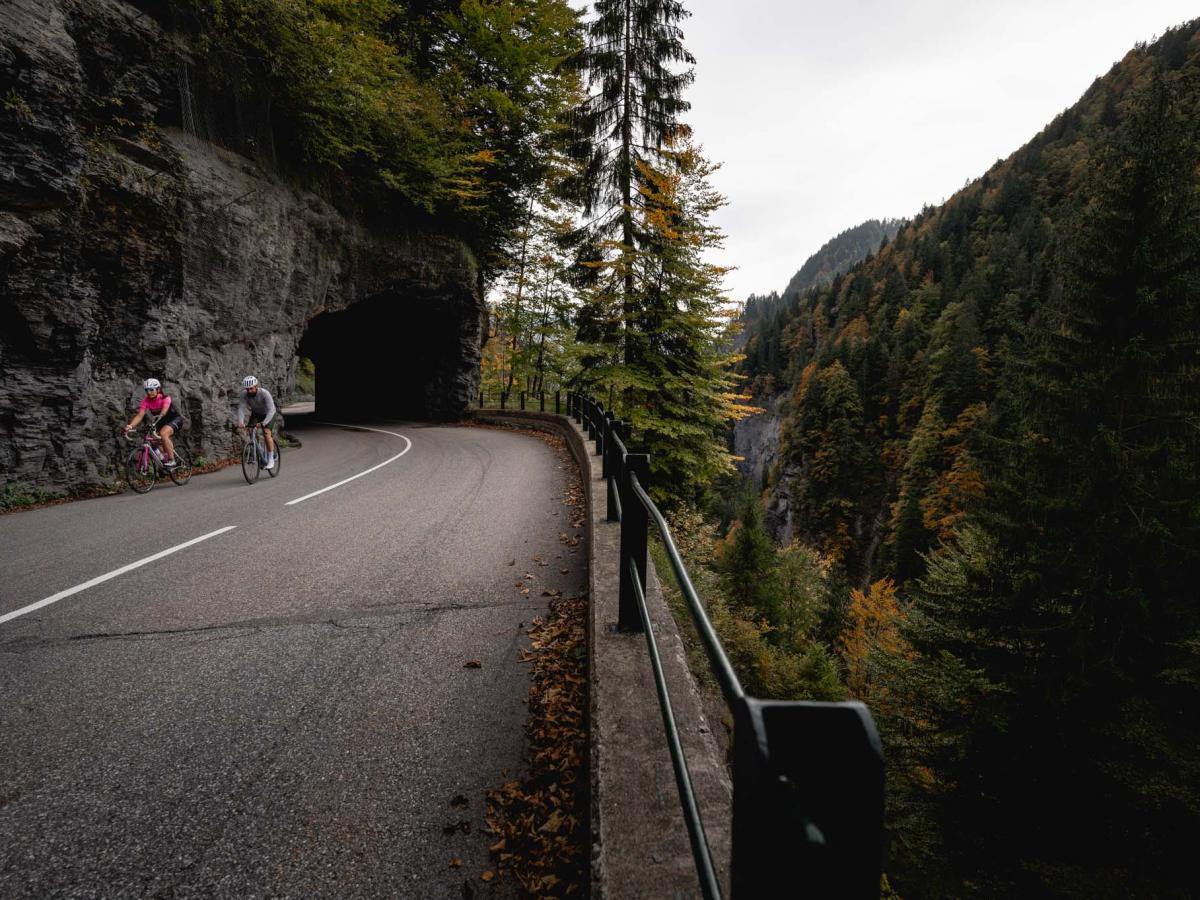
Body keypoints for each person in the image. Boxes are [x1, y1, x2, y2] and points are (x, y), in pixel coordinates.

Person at [124, 378, 182, 466]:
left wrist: (156, 422)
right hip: (160, 422)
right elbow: (140, 415)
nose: (149, 392)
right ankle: (164, 460)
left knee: (163, 434)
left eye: (151, 390)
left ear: (158, 389)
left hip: (174, 419)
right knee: (154, 442)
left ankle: (172, 460)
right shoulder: (145, 401)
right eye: (147, 390)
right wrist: (130, 426)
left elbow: (164, 411)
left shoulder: (165, 398)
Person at [237, 375, 277, 467]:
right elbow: (241, 408)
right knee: (250, 431)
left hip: (269, 414)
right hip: (256, 414)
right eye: (247, 389)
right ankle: (260, 451)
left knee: (266, 433)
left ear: (256, 386)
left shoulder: (264, 393)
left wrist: (263, 423)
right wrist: (241, 422)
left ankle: (271, 459)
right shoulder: (244, 394)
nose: (249, 391)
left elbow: (271, 410)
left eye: (251, 388)